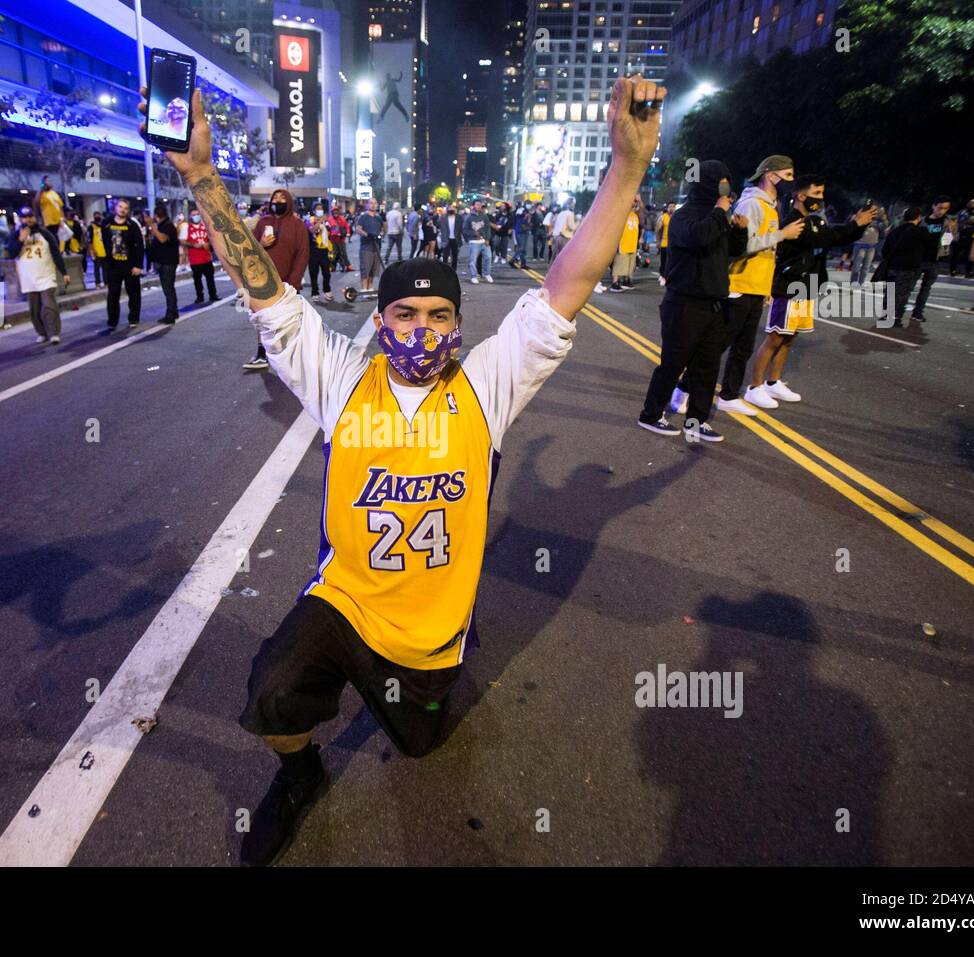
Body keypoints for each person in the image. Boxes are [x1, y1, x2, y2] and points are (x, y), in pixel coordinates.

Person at [142, 72, 665, 867]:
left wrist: (626, 172)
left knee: (419, 746)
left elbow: (569, 283)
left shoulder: (489, 385)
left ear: (460, 325)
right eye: (405, 313)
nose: (423, 328)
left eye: (439, 315)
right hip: (345, 602)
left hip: (427, 635)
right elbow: (266, 292)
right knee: (270, 691)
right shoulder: (343, 376)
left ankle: (440, 663)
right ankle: (301, 769)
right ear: (380, 320)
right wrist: (199, 176)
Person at [675, 154, 804, 417]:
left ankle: (729, 395)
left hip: (757, 286)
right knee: (718, 344)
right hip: (740, 285)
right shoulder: (751, 204)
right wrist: (783, 234)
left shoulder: (771, 204)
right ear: (771, 174)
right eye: (788, 175)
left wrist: (767, 286)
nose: (792, 181)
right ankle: (683, 388)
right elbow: (742, 246)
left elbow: (768, 253)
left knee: (743, 347)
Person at [637, 161, 746, 441]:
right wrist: (721, 213)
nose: (726, 190)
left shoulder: (717, 217)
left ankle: (696, 421)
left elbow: (732, 251)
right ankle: (651, 414)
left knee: (707, 368)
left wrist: (739, 230)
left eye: (728, 184)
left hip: (713, 305)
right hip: (684, 304)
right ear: (708, 184)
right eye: (721, 183)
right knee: (673, 363)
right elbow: (699, 238)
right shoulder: (686, 216)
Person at [748, 175, 876, 402]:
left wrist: (858, 225)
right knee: (775, 338)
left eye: (822, 194)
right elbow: (820, 239)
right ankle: (754, 387)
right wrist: (855, 224)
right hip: (789, 287)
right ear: (801, 195)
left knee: (789, 339)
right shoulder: (792, 221)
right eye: (817, 194)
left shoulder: (816, 221)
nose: (821, 198)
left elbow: (833, 237)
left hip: (807, 287)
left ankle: (773, 382)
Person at [245, 188, 309, 369]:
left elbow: (302, 254)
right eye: (275, 198)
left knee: (288, 319)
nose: (278, 201)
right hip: (262, 279)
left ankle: (290, 354)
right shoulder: (263, 223)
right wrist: (262, 244)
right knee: (261, 316)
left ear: (289, 202)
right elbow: (250, 249)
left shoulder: (297, 225)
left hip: (287, 282)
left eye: (282, 198)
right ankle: (261, 352)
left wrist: (294, 281)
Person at [7, 205, 70, 344]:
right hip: (28, 278)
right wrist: (20, 240)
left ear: (35, 217)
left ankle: (53, 332)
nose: (28, 220)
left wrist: (64, 272)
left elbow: (55, 253)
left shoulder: (45, 234)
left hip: (46, 276)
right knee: (34, 310)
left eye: (30, 216)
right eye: (24, 217)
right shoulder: (15, 235)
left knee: (49, 305)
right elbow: (12, 254)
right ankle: (42, 332)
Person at [875, 206, 926, 327]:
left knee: (890, 291)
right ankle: (894, 318)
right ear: (918, 218)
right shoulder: (920, 232)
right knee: (902, 293)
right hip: (908, 268)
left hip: (892, 266)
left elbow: (885, 250)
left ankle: (886, 315)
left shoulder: (895, 231)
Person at [100, 198, 144, 332]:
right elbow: (106, 243)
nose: (122, 210)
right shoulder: (106, 223)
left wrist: (138, 265)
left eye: (125, 208)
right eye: (120, 207)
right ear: (116, 207)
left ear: (128, 210)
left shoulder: (132, 225)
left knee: (134, 294)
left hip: (130, 265)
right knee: (113, 295)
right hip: (113, 266)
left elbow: (140, 246)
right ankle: (112, 321)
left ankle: (134, 318)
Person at [908, 195, 951, 323]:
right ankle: (897, 311)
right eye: (940, 208)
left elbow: (949, 241)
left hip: (935, 261)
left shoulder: (948, 222)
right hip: (919, 259)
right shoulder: (922, 221)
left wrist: (951, 232)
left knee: (926, 288)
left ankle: (917, 313)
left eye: (945, 208)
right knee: (909, 286)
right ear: (934, 206)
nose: (942, 211)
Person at [149, 202, 181, 324]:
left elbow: (162, 239)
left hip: (168, 263)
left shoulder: (167, 226)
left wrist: (152, 226)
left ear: (156, 215)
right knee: (169, 288)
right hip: (164, 262)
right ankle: (174, 311)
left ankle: (170, 314)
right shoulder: (163, 225)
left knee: (168, 289)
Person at [181, 207, 219, 307]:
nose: (196, 216)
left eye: (197, 214)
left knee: (210, 278)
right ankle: (200, 297)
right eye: (193, 215)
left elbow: (212, 238)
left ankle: (213, 295)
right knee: (197, 280)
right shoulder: (187, 228)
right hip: (195, 259)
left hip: (206, 257)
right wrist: (193, 245)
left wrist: (208, 244)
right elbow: (182, 241)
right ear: (190, 216)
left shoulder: (205, 227)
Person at [608, 196, 642, 290]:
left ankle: (625, 281)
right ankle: (615, 283)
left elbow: (641, 208)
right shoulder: (622, 214)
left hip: (632, 245)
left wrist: (638, 200)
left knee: (629, 265)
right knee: (619, 264)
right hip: (623, 244)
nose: (635, 204)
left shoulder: (635, 216)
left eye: (635, 203)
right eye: (633, 202)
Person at [354, 198, 385, 293]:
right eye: (371, 203)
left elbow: (382, 229)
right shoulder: (363, 217)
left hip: (377, 247)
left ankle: (370, 288)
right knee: (365, 269)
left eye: (375, 203)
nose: (373, 205)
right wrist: (367, 235)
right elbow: (358, 229)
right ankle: (364, 289)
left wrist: (381, 234)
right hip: (366, 247)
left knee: (373, 269)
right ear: (367, 205)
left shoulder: (379, 218)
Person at [306, 202, 334, 303]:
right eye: (317, 208)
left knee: (326, 272)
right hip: (313, 250)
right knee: (314, 273)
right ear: (314, 210)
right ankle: (315, 292)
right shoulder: (309, 221)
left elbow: (331, 231)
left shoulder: (326, 221)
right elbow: (312, 230)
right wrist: (320, 222)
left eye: (321, 208)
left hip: (324, 250)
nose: (320, 210)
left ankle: (327, 290)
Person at [463, 199, 494, 284]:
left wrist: (487, 239)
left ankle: (487, 274)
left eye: (480, 205)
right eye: (477, 205)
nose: (479, 206)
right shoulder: (469, 217)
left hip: (484, 241)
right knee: (473, 261)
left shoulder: (484, 216)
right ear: (473, 206)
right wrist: (473, 233)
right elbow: (464, 230)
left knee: (488, 257)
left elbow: (488, 228)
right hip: (474, 242)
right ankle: (473, 276)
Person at [950, 198, 974, 278]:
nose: (971, 204)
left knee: (969, 254)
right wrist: (965, 222)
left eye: (973, 203)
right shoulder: (961, 212)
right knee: (955, 254)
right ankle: (953, 270)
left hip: (971, 237)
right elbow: (955, 223)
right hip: (960, 236)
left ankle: (968, 272)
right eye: (970, 202)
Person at [36, 175, 64, 246]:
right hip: (48, 221)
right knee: (51, 238)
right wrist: (41, 188)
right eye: (48, 181)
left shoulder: (54, 193)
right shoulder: (42, 194)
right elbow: (36, 202)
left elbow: (60, 207)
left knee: (57, 238)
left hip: (57, 220)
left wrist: (62, 218)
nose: (50, 182)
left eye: (50, 181)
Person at [437, 203, 461, 270]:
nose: (451, 209)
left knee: (455, 256)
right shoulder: (443, 217)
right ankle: (445, 270)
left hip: (455, 239)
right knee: (445, 256)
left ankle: (454, 270)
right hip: (446, 239)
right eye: (450, 208)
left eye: (452, 207)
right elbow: (437, 224)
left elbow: (462, 228)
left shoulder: (459, 217)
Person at [327, 206, 351, 272]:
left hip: (341, 239)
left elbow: (347, 226)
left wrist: (348, 233)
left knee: (342, 253)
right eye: (334, 211)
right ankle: (332, 266)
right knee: (333, 254)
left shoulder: (342, 219)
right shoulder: (329, 220)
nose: (335, 212)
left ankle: (343, 265)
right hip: (332, 239)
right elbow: (327, 229)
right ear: (332, 212)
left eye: (336, 211)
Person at [656, 202, 674, 283]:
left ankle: (669, 275)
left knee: (672, 261)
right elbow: (658, 230)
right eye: (670, 206)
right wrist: (658, 241)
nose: (672, 208)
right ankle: (662, 275)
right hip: (664, 243)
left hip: (673, 243)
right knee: (664, 261)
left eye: (673, 206)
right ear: (667, 208)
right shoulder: (663, 217)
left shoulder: (676, 217)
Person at [513, 203, 530, 269]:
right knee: (521, 248)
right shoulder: (519, 212)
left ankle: (523, 264)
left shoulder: (526, 212)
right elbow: (519, 218)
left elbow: (528, 221)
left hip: (525, 231)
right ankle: (513, 259)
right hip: (520, 232)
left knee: (523, 249)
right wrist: (525, 215)